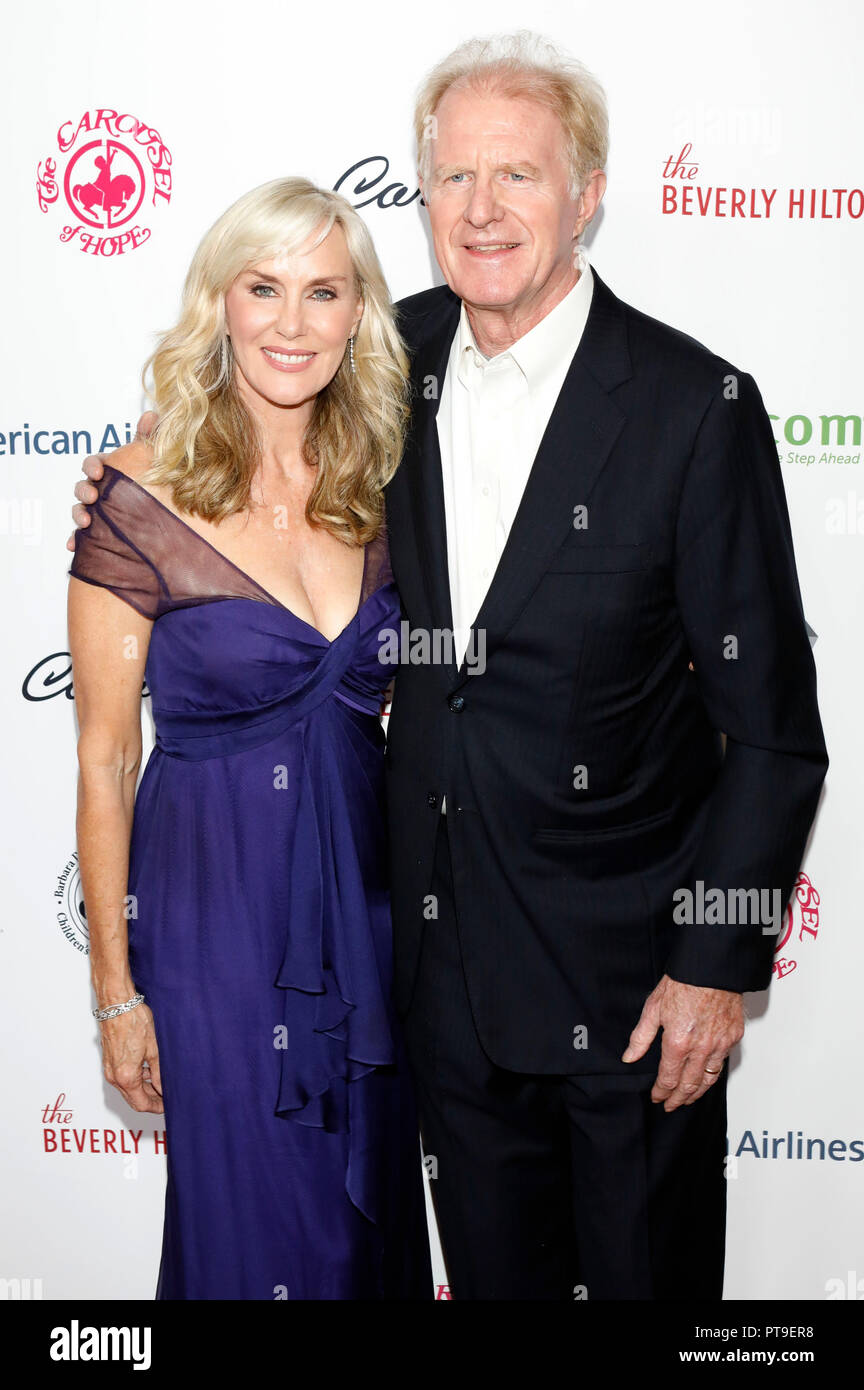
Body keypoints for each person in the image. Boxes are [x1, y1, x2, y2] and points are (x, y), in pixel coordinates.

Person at [72, 33, 828, 1301]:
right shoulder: (381, 361)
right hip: (431, 990)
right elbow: (238, 413)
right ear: (420, 203)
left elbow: (772, 732)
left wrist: (712, 966)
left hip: (630, 994)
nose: (483, 212)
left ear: (587, 193)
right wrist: (117, 484)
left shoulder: (697, 408)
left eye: (518, 178)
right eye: (454, 180)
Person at [67, 176, 432, 1300]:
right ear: (218, 302)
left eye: (323, 292)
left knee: (359, 1223)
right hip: (213, 920)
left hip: (366, 913)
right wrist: (117, 992)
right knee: (256, 1231)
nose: (290, 321)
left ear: (359, 314)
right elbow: (104, 758)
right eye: (262, 287)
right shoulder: (136, 495)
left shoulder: (392, 485)